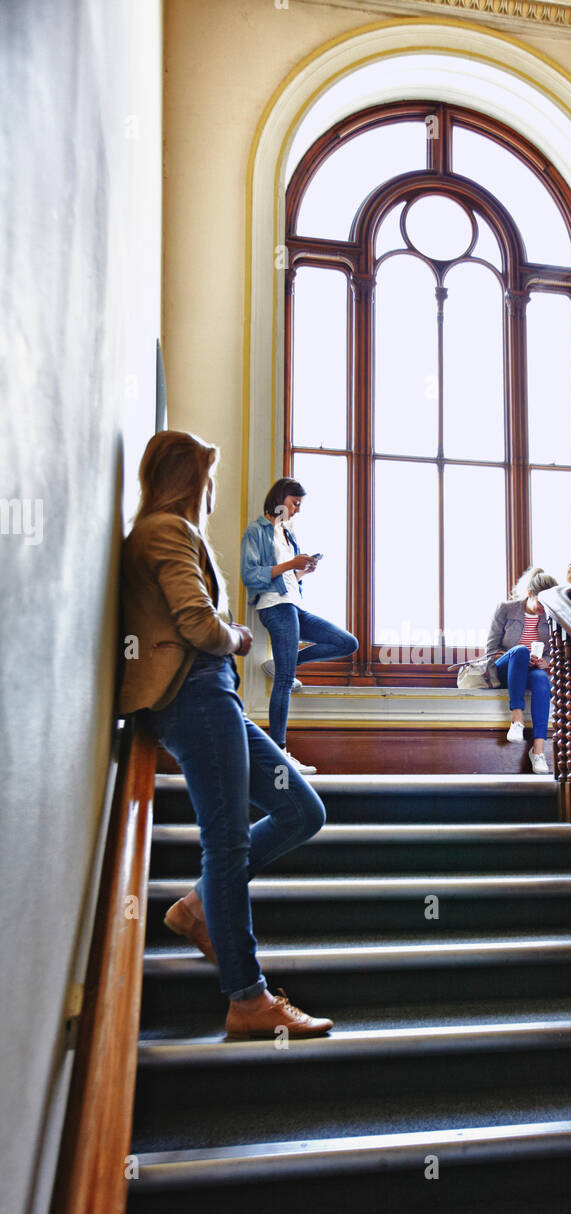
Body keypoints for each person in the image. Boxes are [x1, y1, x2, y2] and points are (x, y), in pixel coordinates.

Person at [118, 430, 334, 1039]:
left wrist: (225, 637)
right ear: (192, 480)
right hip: (197, 698)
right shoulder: (166, 531)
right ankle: (247, 997)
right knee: (228, 844)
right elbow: (196, 624)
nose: (212, 488)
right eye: (208, 476)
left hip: (218, 699)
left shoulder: (170, 533)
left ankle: (194, 907)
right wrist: (238, 636)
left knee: (300, 808)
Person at [241, 478, 358, 773]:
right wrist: (290, 565)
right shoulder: (257, 531)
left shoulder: (289, 537)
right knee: (284, 680)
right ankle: (279, 753)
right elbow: (250, 575)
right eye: (295, 503)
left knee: (347, 642)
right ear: (281, 499)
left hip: (293, 604)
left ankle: (284, 663)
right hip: (274, 607)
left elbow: (288, 578)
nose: (297, 510)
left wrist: (302, 571)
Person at [485, 567, 558, 774]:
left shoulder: (550, 617)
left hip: (531, 671)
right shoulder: (506, 609)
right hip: (506, 668)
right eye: (540, 604)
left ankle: (538, 751)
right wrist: (520, 656)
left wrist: (546, 661)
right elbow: (490, 650)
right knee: (520, 652)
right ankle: (516, 720)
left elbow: (557, 653)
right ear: (529, 594)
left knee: (542, 680)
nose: (544, 609)